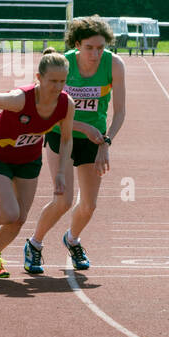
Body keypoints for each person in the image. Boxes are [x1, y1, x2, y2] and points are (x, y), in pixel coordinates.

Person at [25, 16, 126, 273]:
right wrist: (82, 126)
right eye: (89, 47)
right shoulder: (63, 64)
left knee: (90, 205)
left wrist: (106, 143)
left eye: (100, 48)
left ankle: (72, 239)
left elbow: (120, 112)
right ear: (77, 44)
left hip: (95, 139)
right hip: (63, 135)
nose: (95, 54)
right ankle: (34, 244)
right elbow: (45, 113)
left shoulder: (114, 65)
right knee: (63, 200)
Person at [0, 50, 73, 278]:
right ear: (39, 77)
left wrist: (61, 173)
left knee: (20, 218)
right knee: (10, 213)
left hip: (28, 159)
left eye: (62, 81)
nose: (58, 87)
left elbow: (66, 138)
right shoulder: (20, 99)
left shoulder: (66, 104)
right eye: (52, 81)